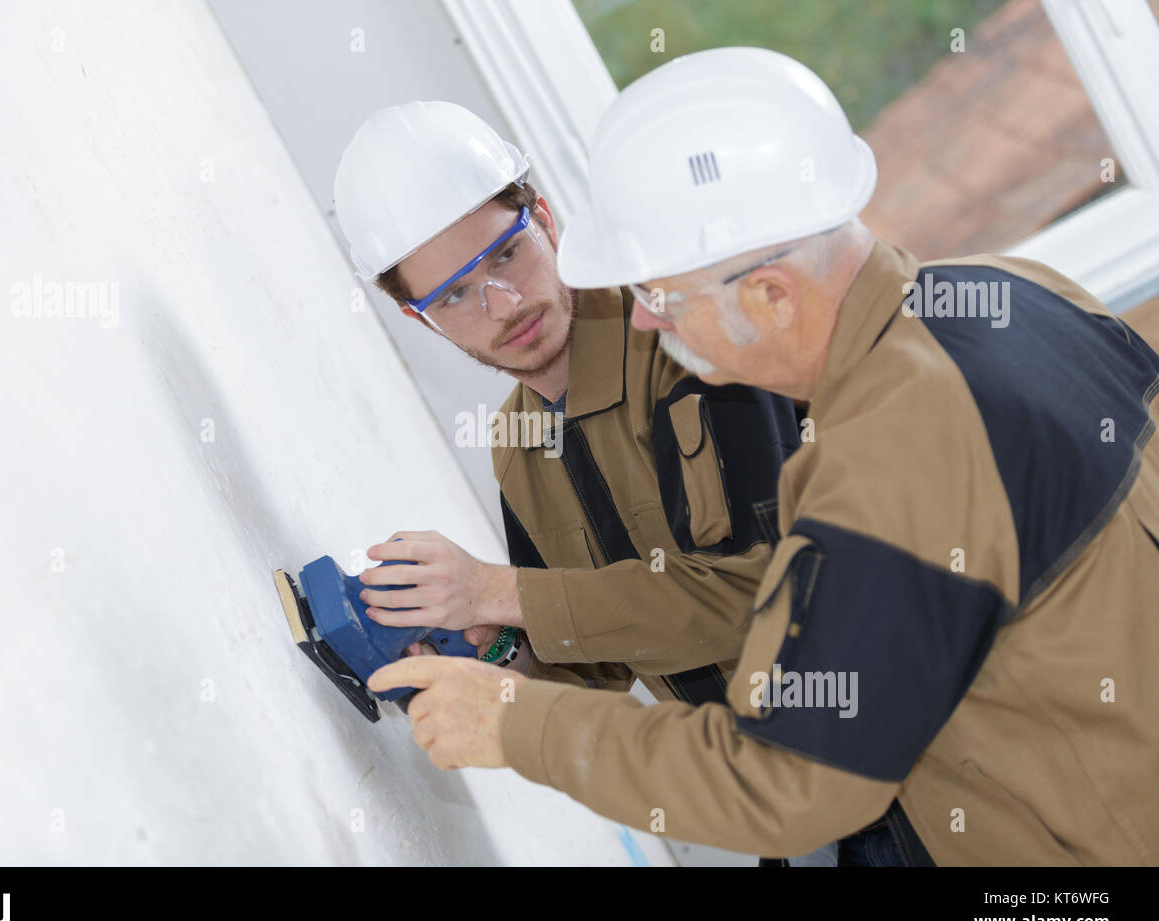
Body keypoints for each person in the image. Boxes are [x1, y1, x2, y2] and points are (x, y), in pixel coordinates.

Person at [368, 48, 1159, 865]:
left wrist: (513, 722)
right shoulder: (1021, 289)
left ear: (770, 294)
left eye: (659, 298)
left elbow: (785, 780)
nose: (641, 323)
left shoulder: (885, 456)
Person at [334, 101, 828, 864]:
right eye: (455, 296)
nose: (502, 306)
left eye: (504, 255)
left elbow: (771, 600)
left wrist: (498, 591)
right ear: (417, 318)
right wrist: (492, 648)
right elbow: (591, 671)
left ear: (546, 219)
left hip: (907, 757)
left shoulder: (685, 341)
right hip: (774, 808)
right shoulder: (517, 448)